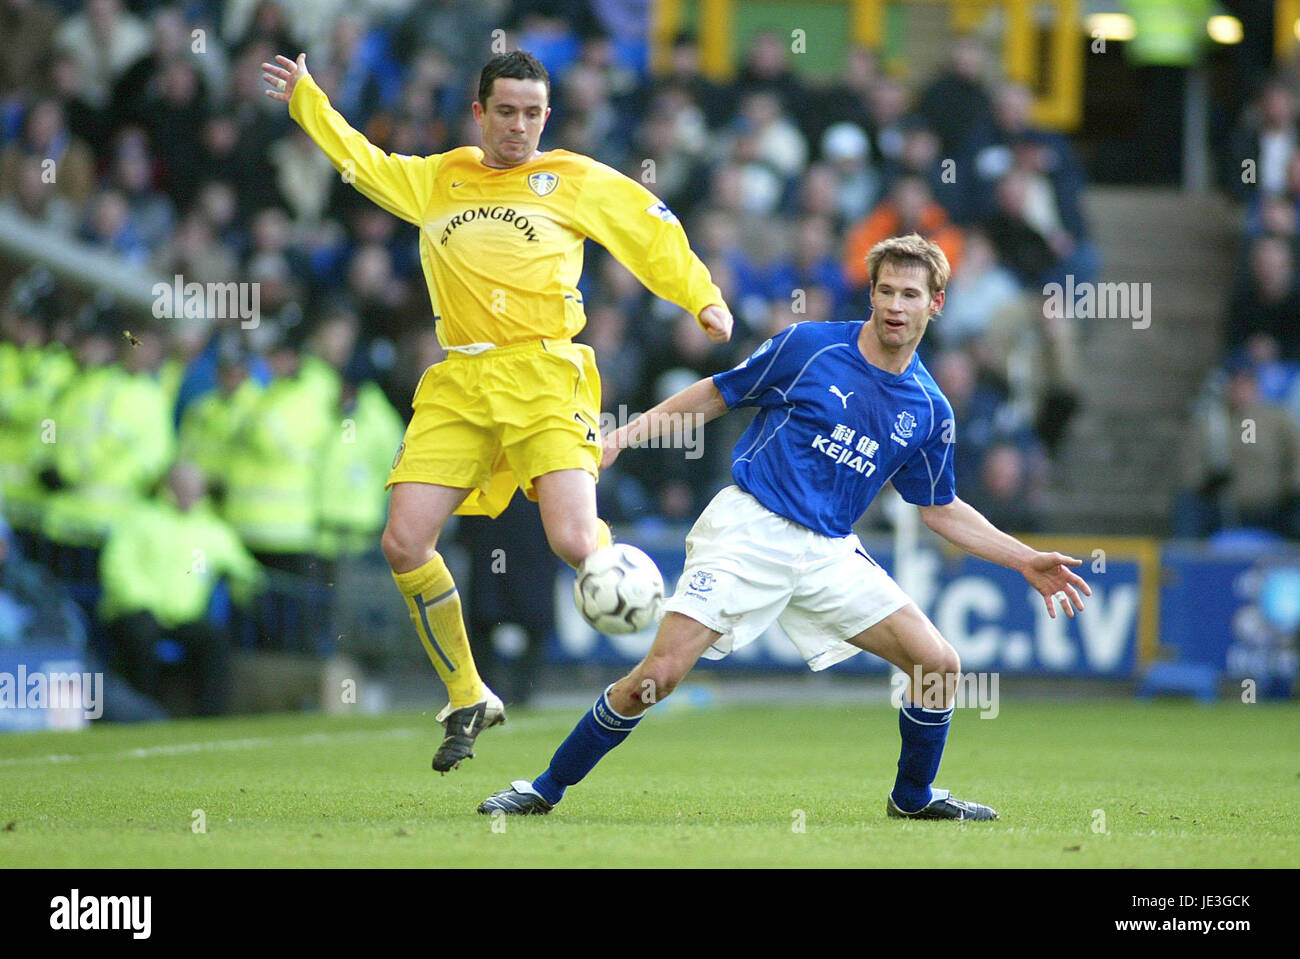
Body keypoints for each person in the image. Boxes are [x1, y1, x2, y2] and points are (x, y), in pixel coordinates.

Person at [479, 234, 1090, 821]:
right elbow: (718, 394)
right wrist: (621, 438)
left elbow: (938, 508)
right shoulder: (809, 348)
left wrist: (1022, 558)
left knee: (938, 666)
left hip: (828, 551)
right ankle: (543, 788)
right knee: (657, 678)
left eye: (909, 294)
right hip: (748, 530)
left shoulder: (929, 408)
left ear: (936, 304)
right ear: (870, 295)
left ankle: (914, 796)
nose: (895, 306)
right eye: (885, 292)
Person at [261, 49, 733, 771]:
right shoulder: (437, 178)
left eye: (532, 113)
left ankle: (640, 602)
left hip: (547, 371)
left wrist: (701, 296)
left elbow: (648, 227)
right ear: (479, 113)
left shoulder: (571, 177)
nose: (518, 126)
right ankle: (467, 693)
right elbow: (359, 160)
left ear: (549, 117)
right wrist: (308, 100)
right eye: (505, 111)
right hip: (460, 379)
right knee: (403, 541)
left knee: (576, 541)